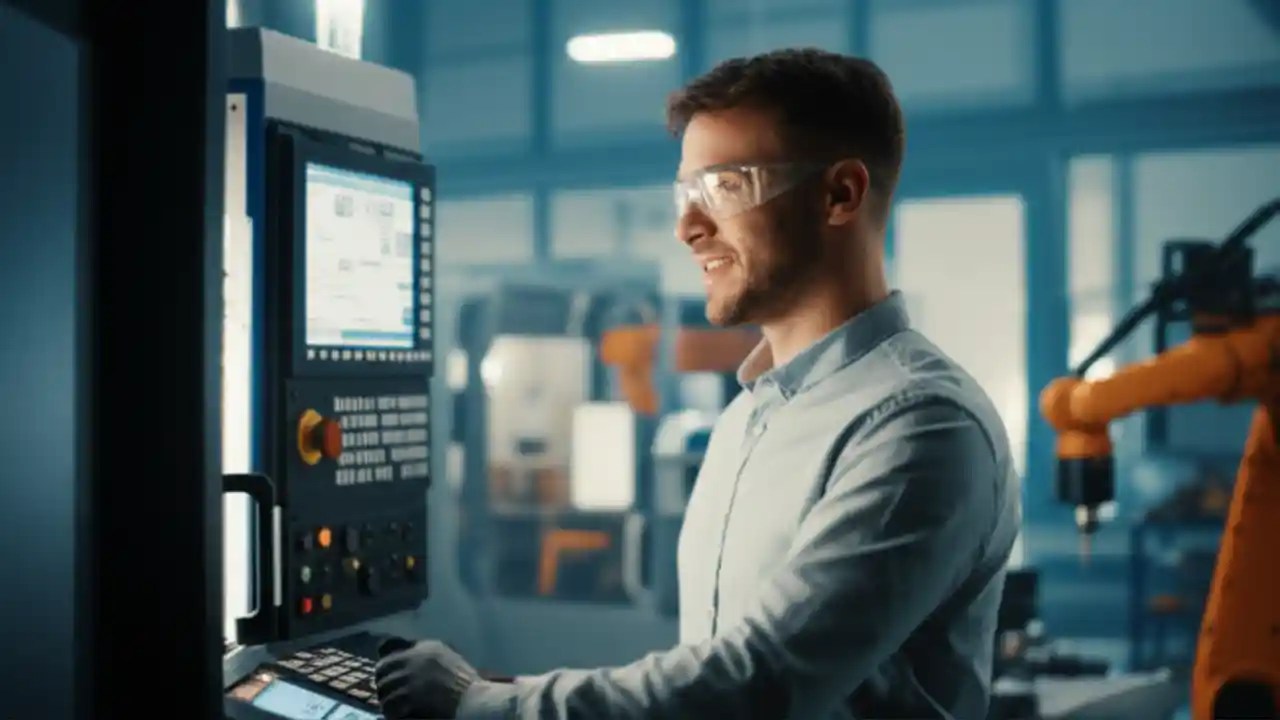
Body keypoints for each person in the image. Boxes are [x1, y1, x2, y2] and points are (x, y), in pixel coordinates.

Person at [374, 48, 1022, 720]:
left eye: (727, 187)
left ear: (840, 195)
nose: (688, 227)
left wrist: (483, 707)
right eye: (687, 193)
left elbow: (758, 682)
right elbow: (712, 668)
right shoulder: (751, 416)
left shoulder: (920, 425)